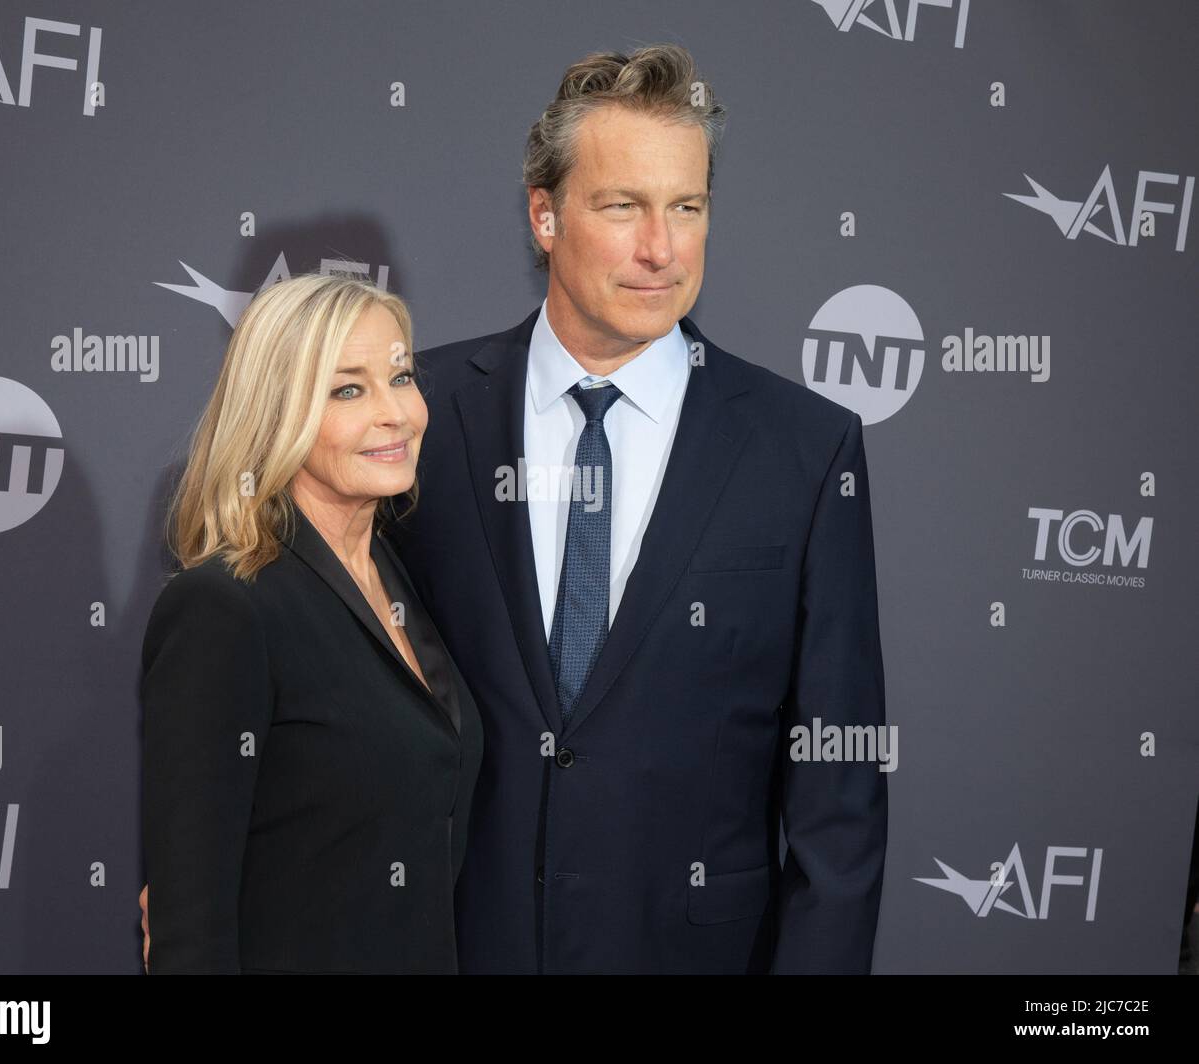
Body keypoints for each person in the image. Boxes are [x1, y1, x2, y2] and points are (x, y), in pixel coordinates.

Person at [143, 42, 886, 974]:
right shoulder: (417, 423)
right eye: (623, 206)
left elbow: (839, 805)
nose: (662, 248)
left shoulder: (805, 449)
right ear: (545, 213)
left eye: (687, 207)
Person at [139, 273, 482, 973]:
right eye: (348, 389)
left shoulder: (396, 576)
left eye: (401, 377)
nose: (396, 413)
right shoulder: (226, 608)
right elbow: (190, 929)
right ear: (277, 414)